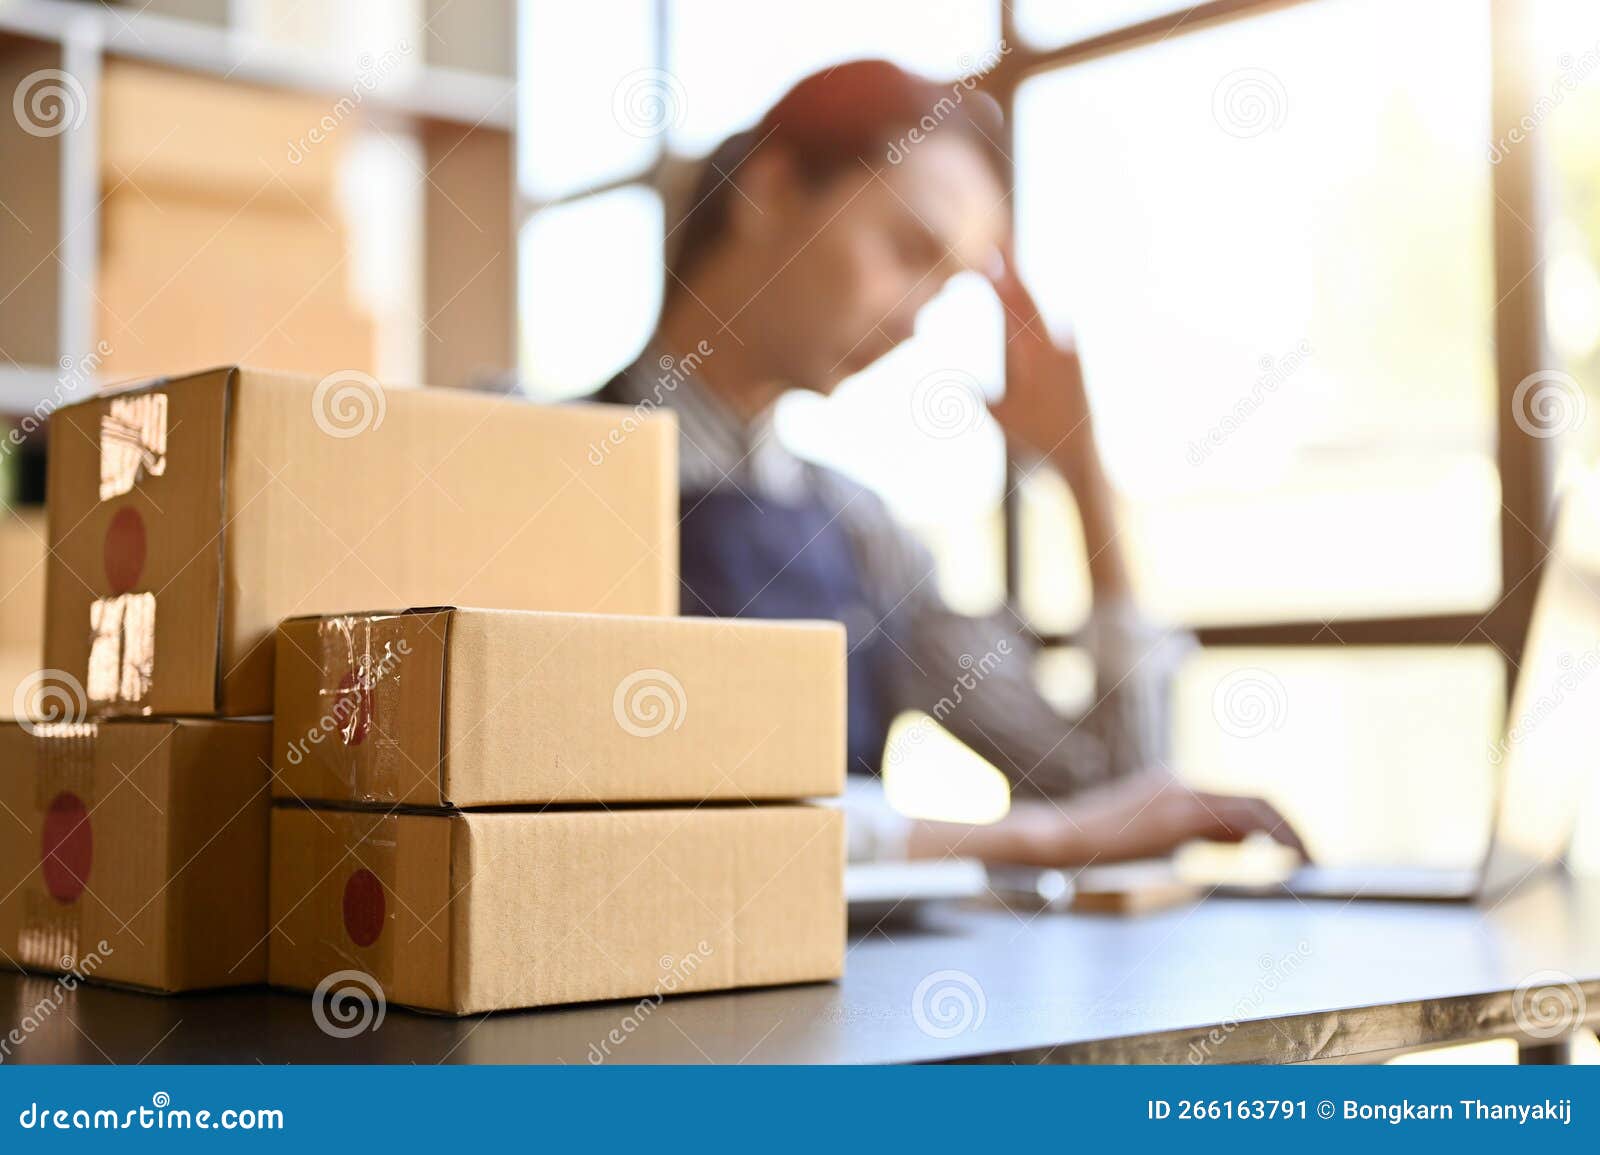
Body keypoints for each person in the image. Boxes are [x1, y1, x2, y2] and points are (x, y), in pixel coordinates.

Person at [596, 60, 1305, 866]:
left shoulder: (859, 533)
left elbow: (1107, 792)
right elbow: (607, 836)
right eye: (907, 249)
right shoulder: (524, 471)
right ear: (774, 188)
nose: (911, 323)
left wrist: (1082, 476)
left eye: (942, 289)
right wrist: (1029, 840)